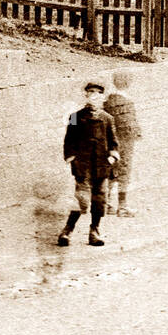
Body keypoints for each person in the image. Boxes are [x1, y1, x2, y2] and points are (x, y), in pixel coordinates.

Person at [59, 81, 119, 247]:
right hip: (83, 166)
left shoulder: (108, 119)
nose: (93, 95)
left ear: (102, 96)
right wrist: (73, 159)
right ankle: (67, 231)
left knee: (99, 200)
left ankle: (94, 231)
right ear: (86, 95)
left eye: (97, 92)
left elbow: (114, 143)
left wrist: (112, 157)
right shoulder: (76, 117)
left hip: (101, 166)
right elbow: (69, 142)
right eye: (90, 91)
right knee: (81, 199)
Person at [104, 74, 142, 217]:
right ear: (128, 83)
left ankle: (106, 204)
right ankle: (122, 207)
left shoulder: (107, 101)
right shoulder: (127, 101)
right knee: (124, 172)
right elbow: (131, 125)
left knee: (110, 171)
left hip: (110, 142)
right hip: (125, 143)